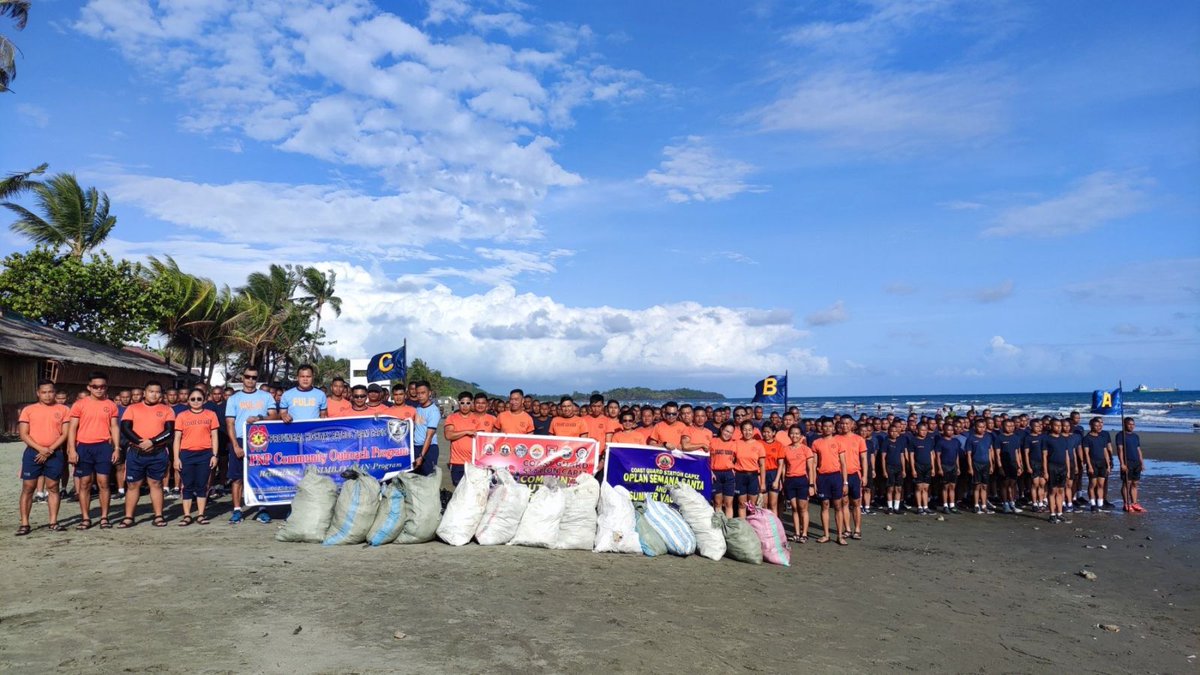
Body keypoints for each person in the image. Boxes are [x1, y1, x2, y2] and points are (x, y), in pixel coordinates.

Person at [118, 381, 176, 527]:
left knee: (156, 484)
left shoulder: (167, 410)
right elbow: (125, 428)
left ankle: (158, 516)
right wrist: (139, 442)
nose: (154, 394)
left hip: (158, 452)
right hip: (136, 452)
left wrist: (152, 442)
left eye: (157, 392)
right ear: (145, 393)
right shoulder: (132, 408)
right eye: (151, 391)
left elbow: (169, 431)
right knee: (132, 485)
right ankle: (129, 517)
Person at [67, 371, 121, 530]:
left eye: (102, 386)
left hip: (103, 447)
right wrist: (71, 449)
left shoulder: (111, 405)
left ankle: (104, 518)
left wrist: (117, 448)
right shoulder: (79, 404)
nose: (99, 389)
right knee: (84, 483)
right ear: (89, 387)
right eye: (95, 386)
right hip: (83, 447)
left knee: (104, 482)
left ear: (106, 387)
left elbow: (114, 427)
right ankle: (85, 518)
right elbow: (72, 428)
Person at [225, 367, 278, 524]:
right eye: (247, 376)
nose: (250, 380)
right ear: (242, 378)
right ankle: (237, 510)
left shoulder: (266, 396)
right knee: (237, 478)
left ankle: (262, 509)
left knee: (261, 476)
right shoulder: (234, 399)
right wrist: (235, 445)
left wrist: (259, 417)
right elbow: (230, 423)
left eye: (254, 377)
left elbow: (274, 416)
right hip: (241, 440)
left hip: (261, 441)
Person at [17, 380, 71, 534]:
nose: (47, 395)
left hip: (55, 453)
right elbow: (23, 434)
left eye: (50, 392)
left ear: (55, 392)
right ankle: (25, 524)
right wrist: (41, 449)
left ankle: (53, 522)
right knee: (28, 487)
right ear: (38, 393)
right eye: (44, 392)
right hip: (33, 453)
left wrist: (49, 450)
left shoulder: (63, 409)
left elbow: (65, 433)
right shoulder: (28, 410)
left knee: (53, 487)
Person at [173, 388, 219, 525]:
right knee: (187, 485)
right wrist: (176, 458)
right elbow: (177, 438)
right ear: (188, 401)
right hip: (186, 454)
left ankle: (200, 514)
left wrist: (214, 455)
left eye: (199, 399)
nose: (196, 401)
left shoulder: (211, 415)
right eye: (193, 399)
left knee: (201, 485)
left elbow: (215, 436)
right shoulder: (181, 416)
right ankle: (187, 515)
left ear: (204, 400)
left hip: (205, 454)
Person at [811, 419, 848, 545]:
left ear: (833, 428)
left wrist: (845, 482)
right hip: (822, 478)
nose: (827, 428)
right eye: (825, 426)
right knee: (825, 505)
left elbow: (843, 463)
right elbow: (814, 463)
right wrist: (814, 481)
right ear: (821, 428)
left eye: (830, 426)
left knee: (838, 506)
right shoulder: (816, 443)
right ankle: (826, 535)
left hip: (836, 477)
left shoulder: (839, 442)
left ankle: (839, 535)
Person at [780, 425, 815, 543]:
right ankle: (796, 533)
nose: (794, 436)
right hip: (790, 480)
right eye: (792, 433)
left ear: (801, 435)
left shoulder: (806, 449)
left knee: (803, 508)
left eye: (797, 433)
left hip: (802, 480)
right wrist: (783, 482)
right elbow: (784, 467)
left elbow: (811, 469)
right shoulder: (785, 449)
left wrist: (811, 485)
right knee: (794, 508)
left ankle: (804, 533)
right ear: (789, 435)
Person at [836, 419, 867, 537]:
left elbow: (864, 458)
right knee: (844, 502)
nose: (844, 426)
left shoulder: (859, 439)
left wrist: (864, 475)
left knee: (856, 503)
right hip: (840, 474)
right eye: (842, 423)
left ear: (852, 425)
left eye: (847, 423)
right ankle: (847, 529)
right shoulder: (836, 439)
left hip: (855, 474)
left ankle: (857, 529)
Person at [444, 392, 479, 486]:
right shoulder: (451, 418)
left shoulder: (477, 418)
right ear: (458, 403)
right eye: (462, 403)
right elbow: (448, 435)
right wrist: (466, 432)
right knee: (458, 490)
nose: (465, 406)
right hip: (457, 462)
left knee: (474, 490)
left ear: (472, 403)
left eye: (468, 403)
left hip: (474, 462)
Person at [1043, 419, 1073, 523]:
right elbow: (1044, 456)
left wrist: (1068, 470)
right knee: (1052, 491)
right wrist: (1045, 471)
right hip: (1052, 467)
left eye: (1060, 425)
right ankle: (1052, 514)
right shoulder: (1047, 439)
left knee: (1061, 491)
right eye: (1056, 426)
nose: (1059, 427)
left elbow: (1066, 455)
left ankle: (1060, 513)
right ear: (1051, 426)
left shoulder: (1063, 439)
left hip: (1063, 468)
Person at [963, 418, 996, 514]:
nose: (982, 429)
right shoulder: (971, 439)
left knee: (985, 486)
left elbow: (990, 451)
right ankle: (976, 505)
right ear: (975, 427)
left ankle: (984, 506)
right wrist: (970, 467)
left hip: (986, 464)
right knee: (977, 486)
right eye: (979, 427)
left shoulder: (988, 437)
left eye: (983, 427)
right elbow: (968, 454)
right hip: (976, 464)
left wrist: (991, 465)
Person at [733, 421, 766, 515]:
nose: (747, 432)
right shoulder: (737, 443)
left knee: (752, 506)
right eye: (745, 430)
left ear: (753, 430)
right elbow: (731, 460)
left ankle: (752, 527)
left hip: (753, 476)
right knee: (741, 504)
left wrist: (762, 483)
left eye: (750, 430)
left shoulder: (759, 445)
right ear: (741, 431)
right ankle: (744, 528)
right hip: (740, 476)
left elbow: (762, 465)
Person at [1081, 416, 1112, 513]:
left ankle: (1100, 504)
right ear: (1091, 426)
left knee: (1101, 485)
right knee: (1092, 484)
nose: (1099, 427)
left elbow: (1105, 452)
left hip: (1102, 463)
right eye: (1096, 425)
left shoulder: (1102, 437)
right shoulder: (1087, 438)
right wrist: (1089, 466)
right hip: (1093, 463)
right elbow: (1086, 453)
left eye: (1100, 425)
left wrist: (1108, 464)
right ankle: (1093, 504)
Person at [993, 418, 1025, 514]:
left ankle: (1012, 503)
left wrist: (1020, 465)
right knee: (1004, 485)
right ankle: (1005, 504)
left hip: (1013, 464)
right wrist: (1000, 467)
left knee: (1013, 484)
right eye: (1008, 426)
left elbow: (1017, 452)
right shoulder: (999, 438)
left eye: (1012, 426)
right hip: (1004, 464)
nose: (1010, 428)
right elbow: (997, 454)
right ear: (1002, 427)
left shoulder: (1016, 437)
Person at [411, 381, 442, 477]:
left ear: (429, 393)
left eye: (423, 393)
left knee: (428, 479)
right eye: (418, 393)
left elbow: (429, 436)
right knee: (415, 479)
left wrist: (421, 456)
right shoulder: (418, 407)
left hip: (429, 449)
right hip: (416, 447)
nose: (420, 396)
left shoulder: (433, 411)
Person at [1115, 417, 1145, 512]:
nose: (1131, 426)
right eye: (1129, 424)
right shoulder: (1120, 435)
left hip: (1136, 462)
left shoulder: (1135, 436)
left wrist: (1142, 463)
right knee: (1127, 483)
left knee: (1135, 483)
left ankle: (1134, 503)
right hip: (1127, 462)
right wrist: (1122, 464)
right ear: (1124, 424)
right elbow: (1120, 450)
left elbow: (1138, 450)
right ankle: (1126, 503)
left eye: (1133, 424)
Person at [708, 422, 738, 517]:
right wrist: (710, 472)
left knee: (729, 504)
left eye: (730, 432)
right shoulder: (712, 441)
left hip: (729, 474)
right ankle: (719, 526)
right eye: (726, 431)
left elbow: (740, 458)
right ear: (721, 430)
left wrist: (735, 469)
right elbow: (706, 458)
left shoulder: (734, 444)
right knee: (717, 503)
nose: (728, 434)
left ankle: (729, 528)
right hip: (715, 474)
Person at [880, 422, 910, 515]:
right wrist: (884, 470)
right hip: (889, 467)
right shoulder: (886, 442)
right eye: (892, 431)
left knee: (898, 488)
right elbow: (883, 457)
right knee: (890, 488)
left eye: (895, 431)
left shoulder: (900, 442)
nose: (894, 433)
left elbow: (902, 457)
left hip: (899, 468)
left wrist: (904, 470)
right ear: (889, 432)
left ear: (898, 433)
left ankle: (896, 507)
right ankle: (890, 507)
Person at [908, 422, 936, 515]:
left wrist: (933, 468)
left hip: (928, 466)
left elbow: (932, 454)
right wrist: (913, 469)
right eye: (922, 430)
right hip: (918, 466)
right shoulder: (913, 440)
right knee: (919, 487)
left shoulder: (929, 440)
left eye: (925, 430)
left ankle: (925, 506)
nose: (924, 432)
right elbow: (911, 456)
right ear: (917, 430)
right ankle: (919, 507)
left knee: (926, 488)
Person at [935, 421, 963, 514]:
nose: (950, 432)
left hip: (953, 466)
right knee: (945, 487)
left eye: (952, 430)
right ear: (944, 430)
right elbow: (938, 456)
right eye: (948, 430)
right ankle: (945, 505)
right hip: (944, 466)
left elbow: (957, 456)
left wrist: (958, 467)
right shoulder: (940, 442)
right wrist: (939, 468)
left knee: (952, 486)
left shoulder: (956, 441)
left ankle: (952, 505)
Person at [759, 425, 786, 517]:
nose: (766, 434)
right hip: (762, 474)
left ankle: (774, 528)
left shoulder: (779, 445)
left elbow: (780, 464)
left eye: (768, 432)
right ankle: (764, 527)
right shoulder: (759, 443)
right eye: (764, 432)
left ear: (774, 433)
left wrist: (777, 480)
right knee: (764, 504)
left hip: (774, 474)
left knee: (773, 504)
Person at [1023, 419, 1047, 513]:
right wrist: (1028, 466)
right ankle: (1034, 503)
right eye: (1036, 426)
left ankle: (1041, 503)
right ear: (1031, 427)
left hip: (1042, 463)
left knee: (1042, 484)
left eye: (1039, 426)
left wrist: (1045, 467)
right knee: (1035, 484)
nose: (1038, 427)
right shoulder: (1028, 438)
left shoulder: (1042, 437)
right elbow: (1026, 453)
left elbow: (1045, 453)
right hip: (1033, 463)